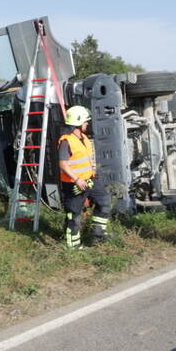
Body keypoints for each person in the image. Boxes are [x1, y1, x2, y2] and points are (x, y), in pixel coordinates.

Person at [58, 105, 112, 249]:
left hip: (89, 180)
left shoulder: (85, 138)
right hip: (74, 184)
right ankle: (73, 247)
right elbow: (63, 164)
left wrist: (92, 170)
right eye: (85, 122)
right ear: (78, 122)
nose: (87, 124)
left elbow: (85, 159)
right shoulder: (66, 141)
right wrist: (77, 179)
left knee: (104, 200)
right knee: (74, 215)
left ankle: (98, 232)